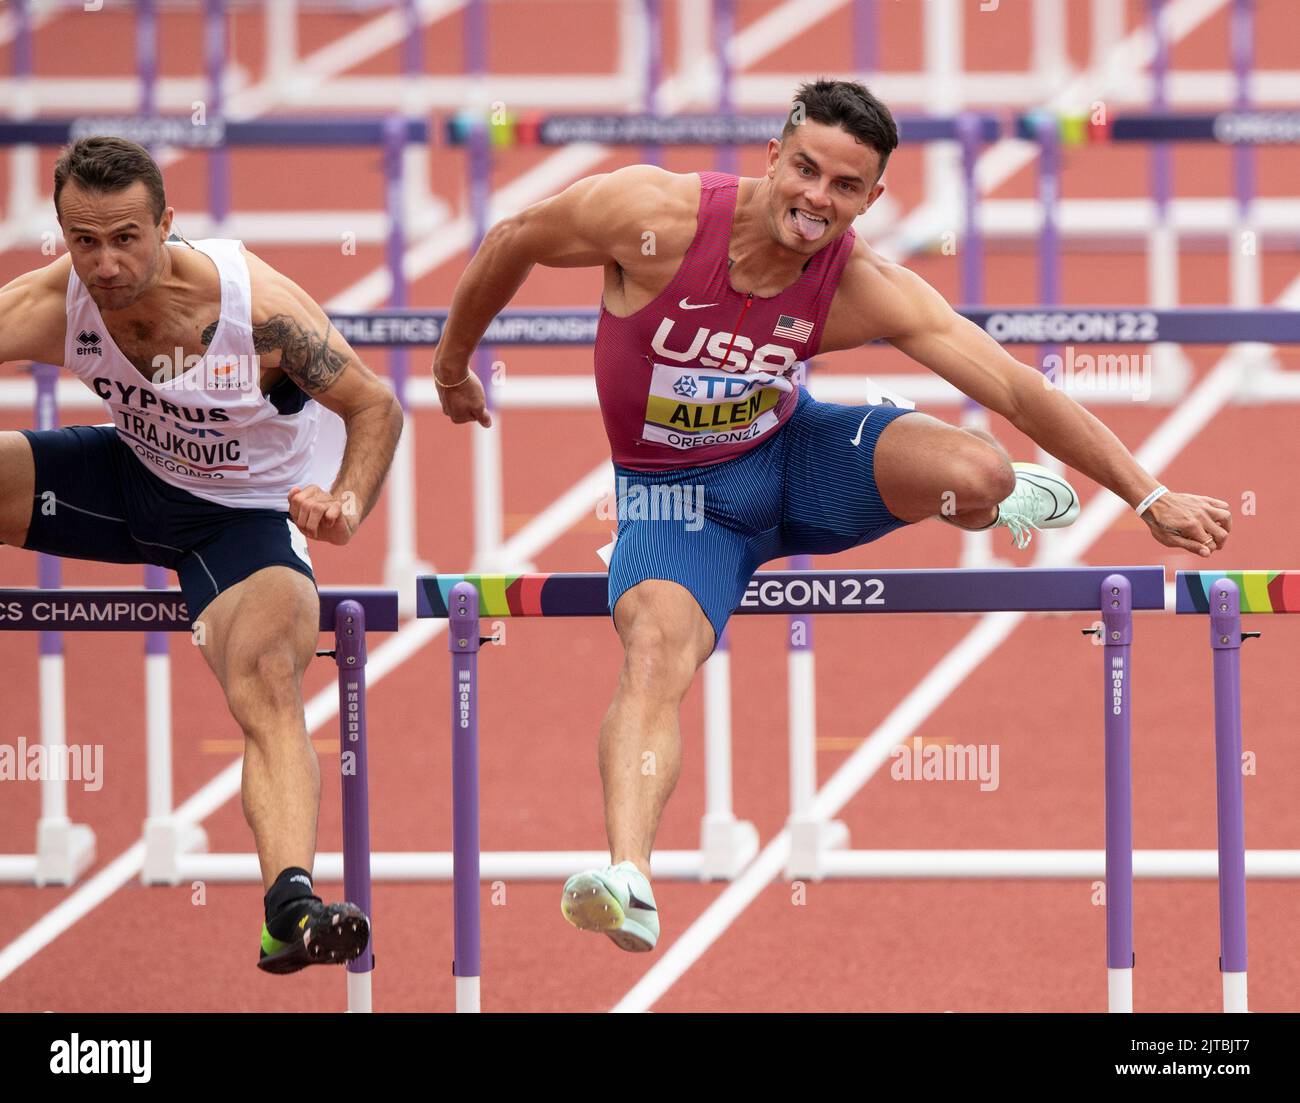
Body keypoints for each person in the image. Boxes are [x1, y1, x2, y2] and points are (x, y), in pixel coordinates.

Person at [432, 80, 1232, 953]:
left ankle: (989, 493)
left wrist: (1148, 495)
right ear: (773, 155)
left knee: (980, 469)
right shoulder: (648, 215)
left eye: (844, 188)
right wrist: (451, 367)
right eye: (805, 170)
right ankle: (629, 875)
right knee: (656, 650)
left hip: (795, 462)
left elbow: (1014, 385)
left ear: (872, 198)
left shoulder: (862, 284)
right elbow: (513, 238)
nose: (817, 199)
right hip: (677, 501)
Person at [0, 136, 403, 973]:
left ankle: (289, 904)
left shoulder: (258, 310)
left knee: (265, 678)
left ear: (166, 224)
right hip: (125, 477)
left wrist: (347, 499)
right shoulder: (52, 302)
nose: (104, 264)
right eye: (83, 241)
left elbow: (375, 406)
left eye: (125, 238)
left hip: (242, 519)